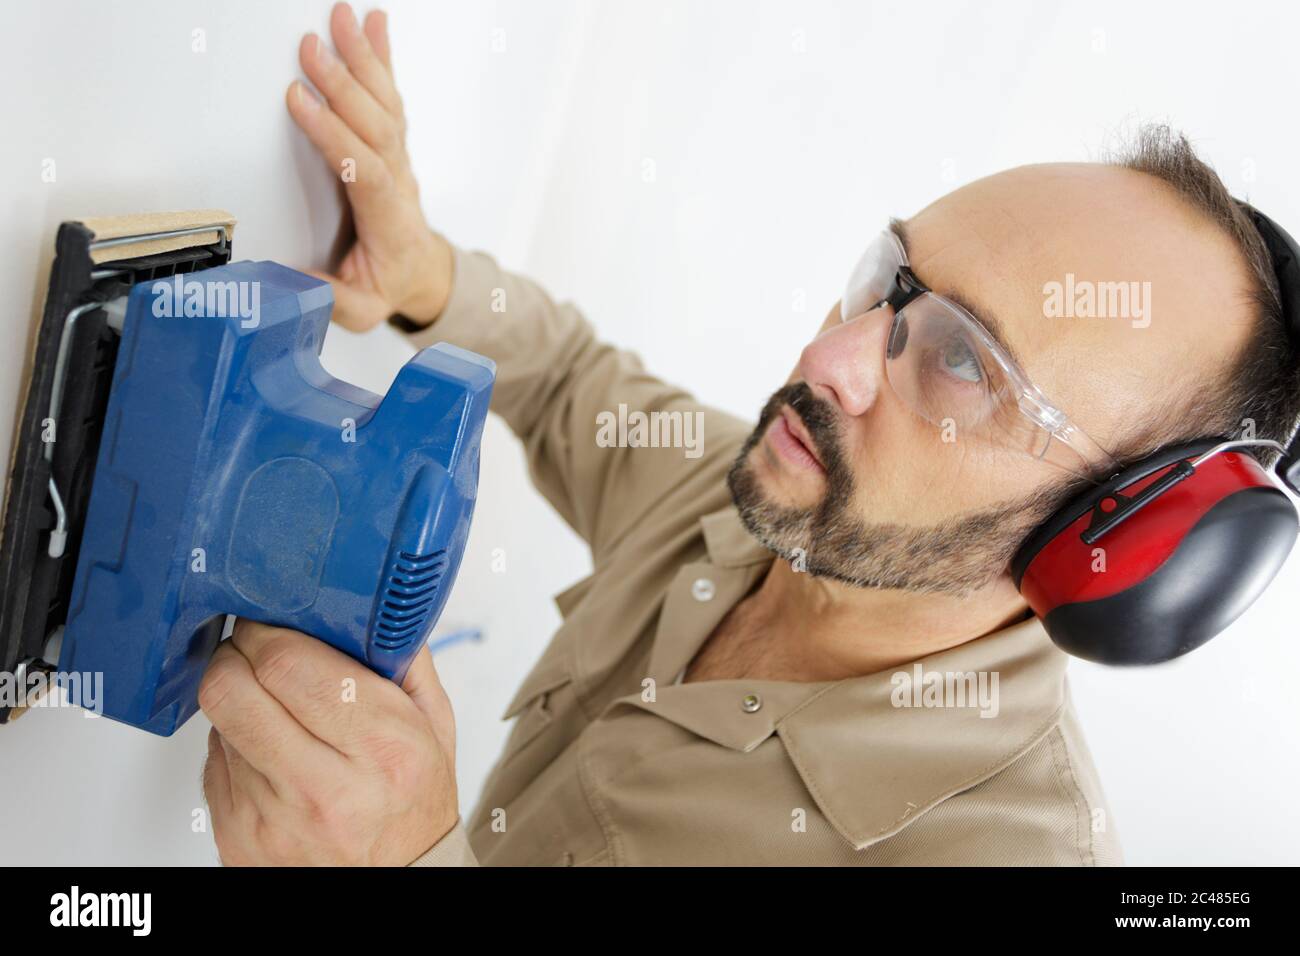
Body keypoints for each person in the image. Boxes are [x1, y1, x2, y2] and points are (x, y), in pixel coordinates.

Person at [197, 2, 1299, 865]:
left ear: (1115, 543)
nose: (831, 356)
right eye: (889, 281)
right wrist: (424, 275)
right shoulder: (757, 503)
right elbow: (576, 378)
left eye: (962, 360)